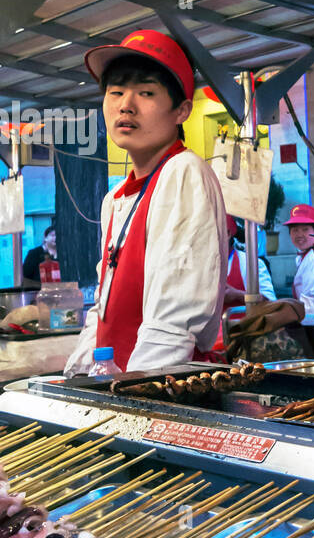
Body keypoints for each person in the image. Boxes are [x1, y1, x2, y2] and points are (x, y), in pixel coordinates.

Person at [64, 30, 227, 375]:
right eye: (116, 91)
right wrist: (79, 375)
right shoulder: (116, 198)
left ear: (182, 111)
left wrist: (134, 391)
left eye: (147, 92)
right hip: (118, 386)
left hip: (161, 390)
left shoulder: (183, 173)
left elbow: (176, 318)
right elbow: (103, 308)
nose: (126, 105)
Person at [224, 216, 275, 307]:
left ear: (227, 234)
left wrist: (237, 295)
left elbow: (271, 303)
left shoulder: (252, 264)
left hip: (241, 320)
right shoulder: (200, 266)